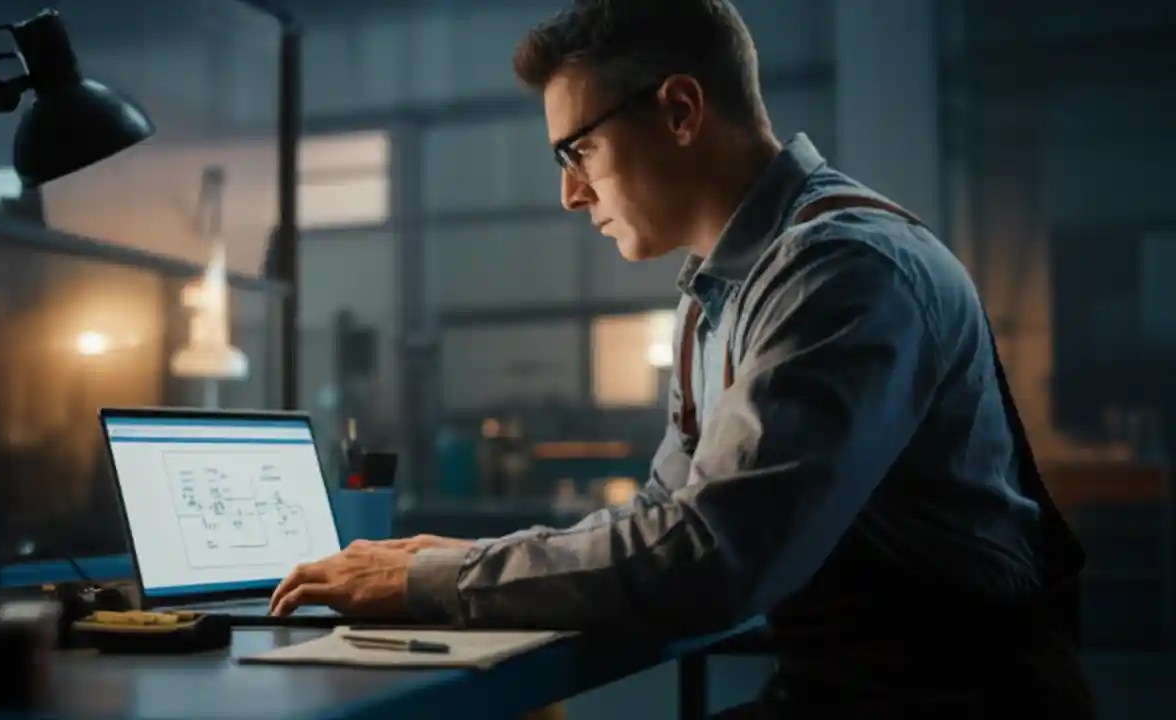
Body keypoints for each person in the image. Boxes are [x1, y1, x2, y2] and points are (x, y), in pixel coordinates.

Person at [270, 1, 1094, 716]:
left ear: (679, 110)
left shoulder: (844, 270)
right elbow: (665, 515)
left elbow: (711, 556)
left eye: (577, 151)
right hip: (846, 690)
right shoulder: (720, 292)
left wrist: (440, 581)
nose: (570, 194)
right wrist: (464, 562)